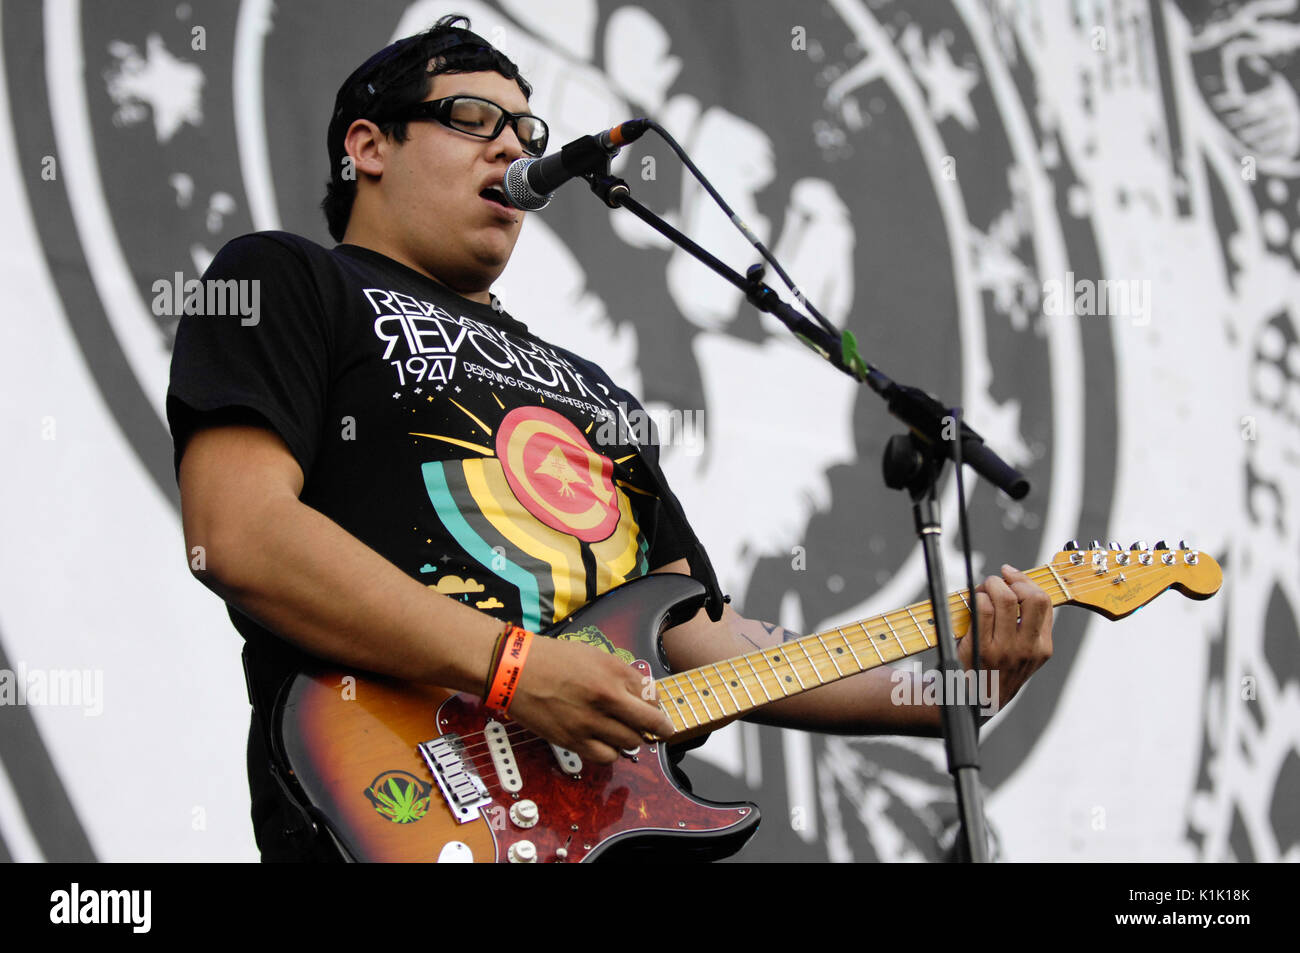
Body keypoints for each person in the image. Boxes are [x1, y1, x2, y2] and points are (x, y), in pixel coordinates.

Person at [167, 15, 1053, 862]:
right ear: (368, 145)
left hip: (600, 827)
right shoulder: (288, 279)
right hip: (402, 801)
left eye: (526, 130)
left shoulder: (593, 388)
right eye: (472, 119)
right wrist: (514, 669)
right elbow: (238, 533)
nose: (513, 148)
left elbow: (704, 640)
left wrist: (945, 691)